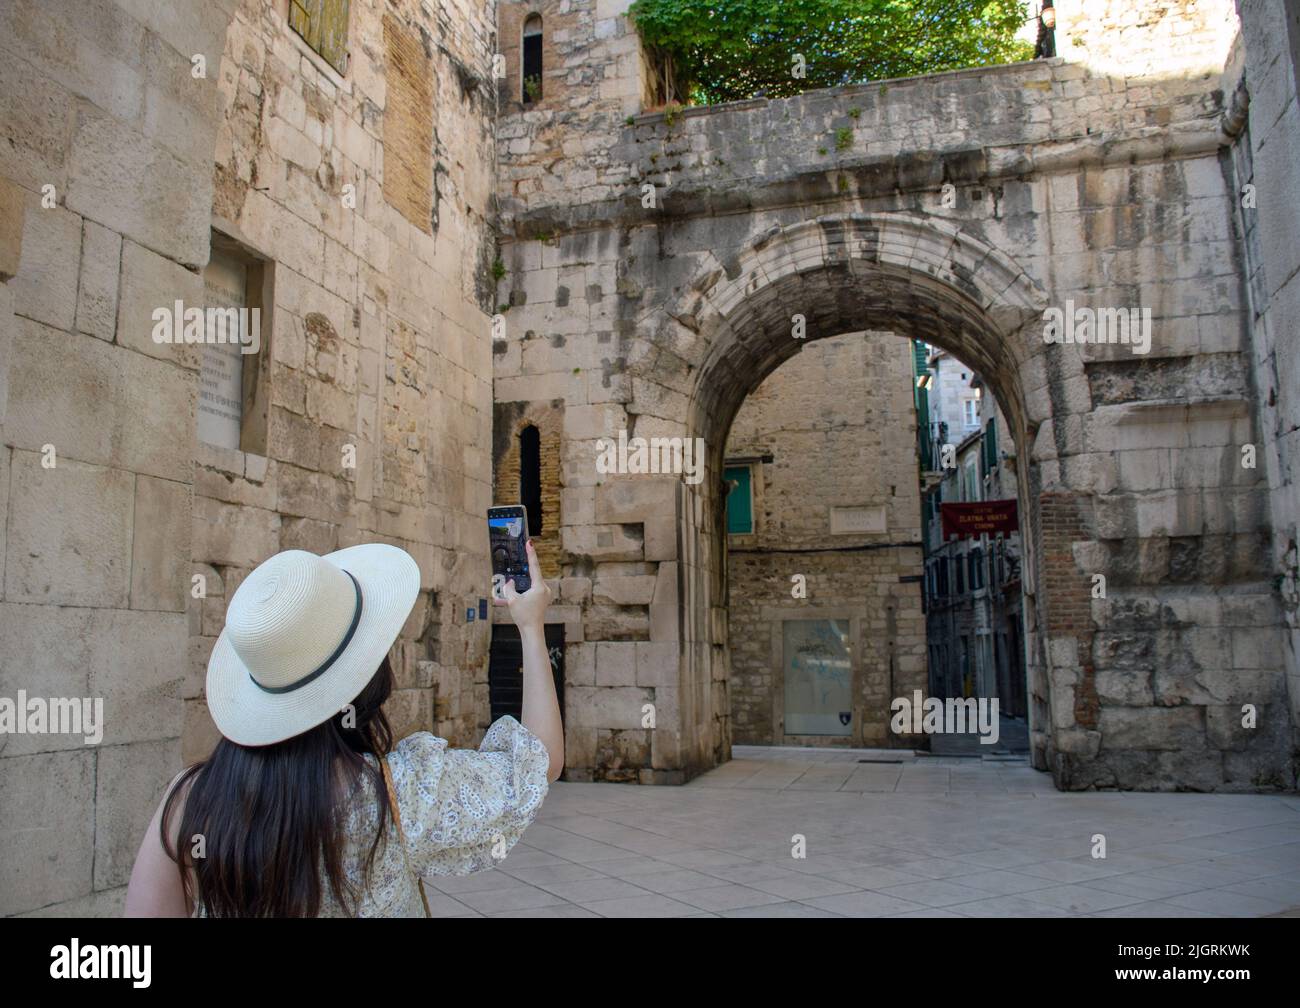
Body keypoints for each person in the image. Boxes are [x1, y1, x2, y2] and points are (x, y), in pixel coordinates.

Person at [123, 539, 562, 917]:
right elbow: (536, 762)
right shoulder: (401, 794)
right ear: (369, 679)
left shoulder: (188, 801)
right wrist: (530, 625)